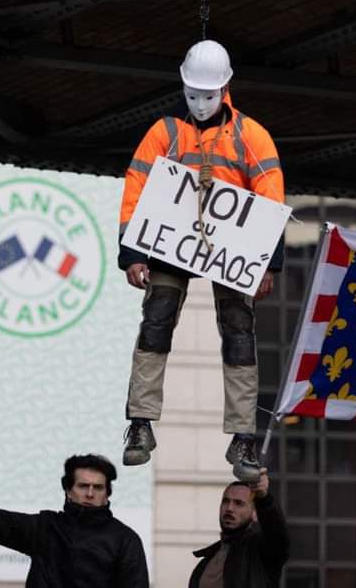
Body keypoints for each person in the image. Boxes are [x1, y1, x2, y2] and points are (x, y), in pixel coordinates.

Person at [119, 39, 285, 479]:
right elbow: (136, 186)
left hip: (231, 248)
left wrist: (269, 262)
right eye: (193, 94)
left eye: (207, 95)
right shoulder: (165, 131)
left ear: (226, 87)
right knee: (156, 321)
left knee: (238, 333)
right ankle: (140, 422)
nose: (199, 103)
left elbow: (270, 195)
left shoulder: (250, 135)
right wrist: (133, 252)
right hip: (173, 242)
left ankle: (244, 435)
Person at [0, 455, 149, 588]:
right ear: (68, 490)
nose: (90, 493)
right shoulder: (46, 527)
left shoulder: (125, 540)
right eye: (83, 486)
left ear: (107, 493)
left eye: (98, 487)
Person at [188, 469, 288, 588]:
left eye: (239, 503)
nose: (229, 508)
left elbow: (277, 534)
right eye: (226, 501)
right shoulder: (206, 561)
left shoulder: (260, 553)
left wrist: (263, 498)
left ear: (255, 514)